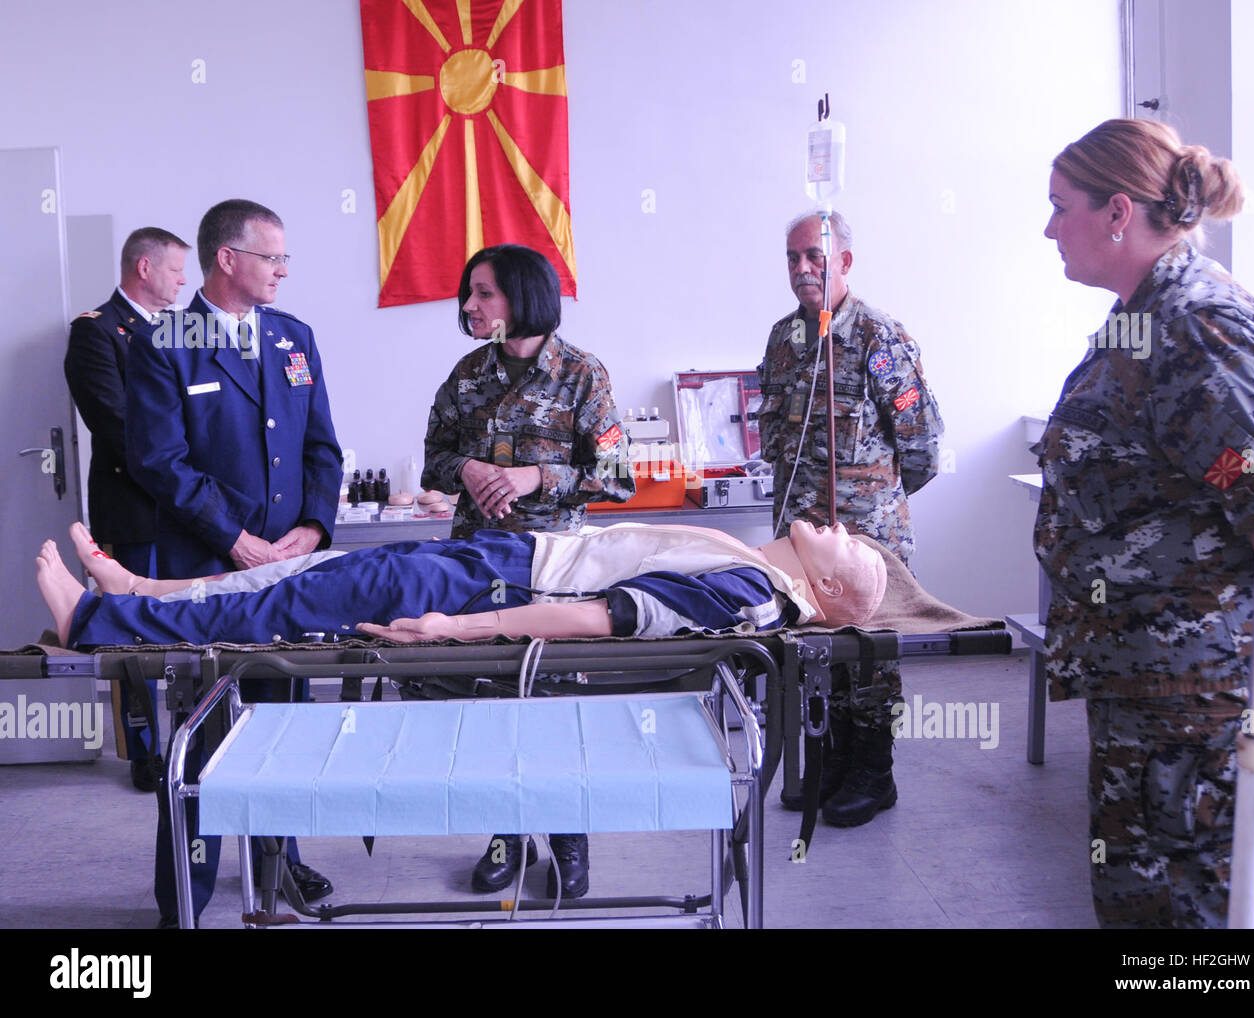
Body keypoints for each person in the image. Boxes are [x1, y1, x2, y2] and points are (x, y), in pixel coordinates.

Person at [1036, 118, 1254, 928]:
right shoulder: (1143, 317)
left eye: (1060, 207)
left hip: (1200, 717)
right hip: (1150, 705)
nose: (1049, 228)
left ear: (1118, 211)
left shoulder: (1194, 327)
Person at [125, 199, 343, 925]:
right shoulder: (168, 340)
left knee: (286, 717)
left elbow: (321, 446)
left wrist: (314, 525)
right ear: (227, 259)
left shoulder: (292, 335)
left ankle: (284, 861)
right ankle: (185, 887)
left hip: (288, 565)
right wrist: (232, 539)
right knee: (203, 730)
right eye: (271, 256)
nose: (282, 270)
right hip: (209, 567)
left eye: (284, 259)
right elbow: (160, 460)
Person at [422, 244, 635, 897]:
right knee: (489, 704)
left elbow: (617, 478)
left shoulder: (581, 374)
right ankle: (506, 836)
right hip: (478, 569)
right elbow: (432, 460)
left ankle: (570, 845)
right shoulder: (466, 376)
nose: (469, 305)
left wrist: (534, 475)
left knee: (553, 706)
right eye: (469, 293)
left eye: (483, 292)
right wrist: (468, 470)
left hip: (555, 573)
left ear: (522, 296)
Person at [758, 210, 943, 827]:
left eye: (815, 255)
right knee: (817, 647)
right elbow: (774, 435)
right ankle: (833, 758)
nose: (803, 268)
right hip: (803, 535)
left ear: (844, 261)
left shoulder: (878, 338)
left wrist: (874, 502)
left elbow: (922, 445)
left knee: (869, 654)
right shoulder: (784, 339)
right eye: (793, 258)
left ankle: (874, 770)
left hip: (869, 535)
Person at [38, 518, 887, 651]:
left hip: (491, 590)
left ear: (830, 593)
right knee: (318, 573)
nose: (843, 528)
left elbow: (600, 619)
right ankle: (145, 591)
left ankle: (101, 624)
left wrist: (450, 631)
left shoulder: (755, 595)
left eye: (852, 548)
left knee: (294, 605)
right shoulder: (762, 565)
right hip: (504, 557)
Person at [64, 227, 188, 791]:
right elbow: (115, 426)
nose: (184, 281)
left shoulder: (184, 330)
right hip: (135, 505)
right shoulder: (96, 333)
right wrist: (179, 475)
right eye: (175, 270)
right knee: (131, 628)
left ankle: (192, 735)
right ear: (144, 267)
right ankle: (143, 747)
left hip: (186, 508)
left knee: (188, 622)